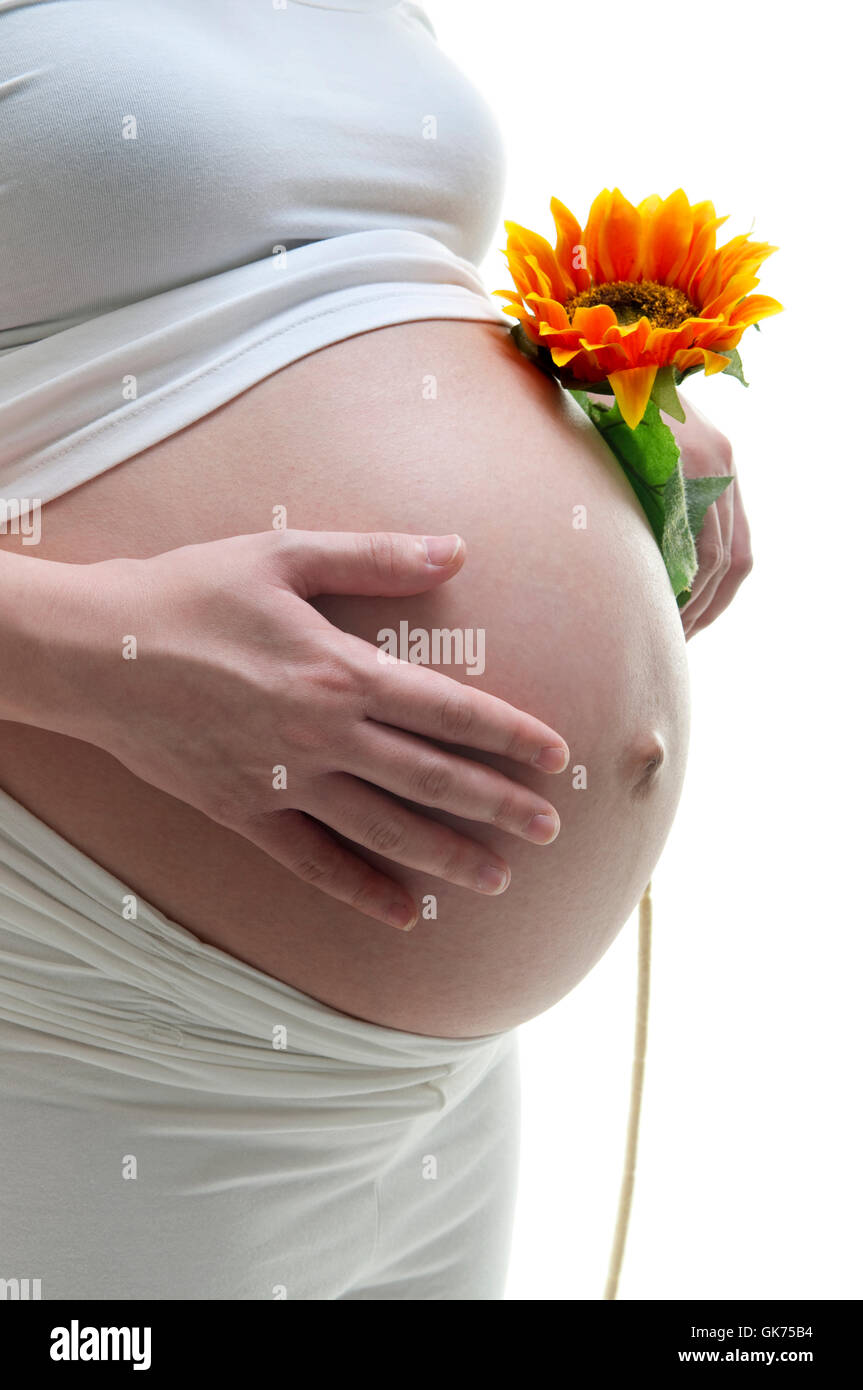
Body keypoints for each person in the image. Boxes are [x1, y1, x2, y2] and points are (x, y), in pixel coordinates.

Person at [0, 0, 750, 1300]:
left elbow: (310, 267)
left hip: (436, 1092)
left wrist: (592, 390)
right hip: (95, 1025)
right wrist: (108, 650)